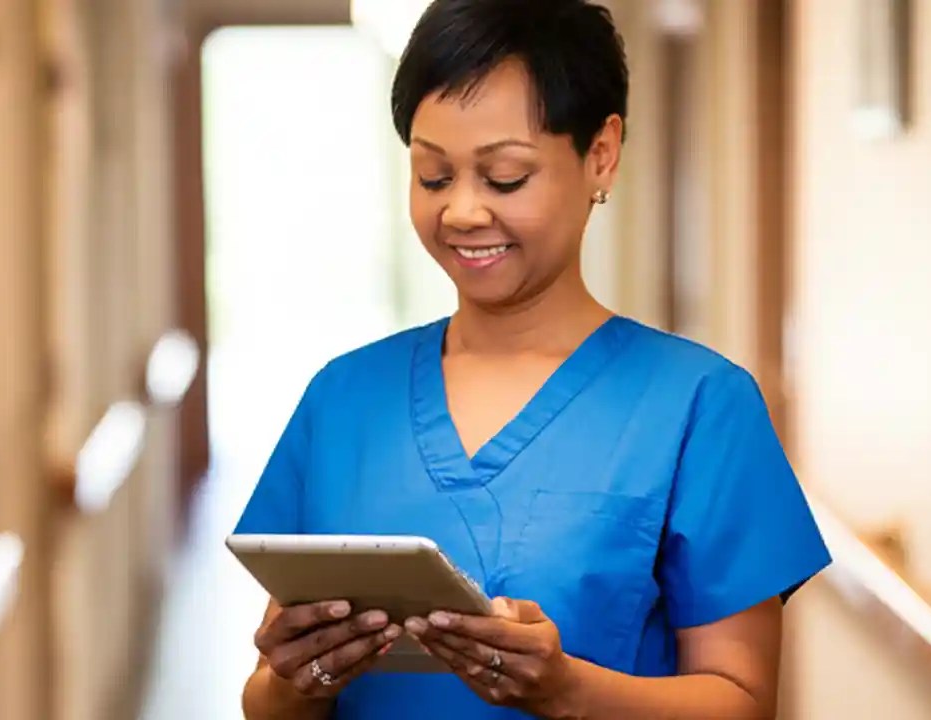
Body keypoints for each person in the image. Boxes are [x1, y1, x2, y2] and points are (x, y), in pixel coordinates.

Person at [235, 0, 831, 717]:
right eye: (432, 176)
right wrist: (297, 682)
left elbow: (740, 702)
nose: (461, 212)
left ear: (600, 154)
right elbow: (268, 704)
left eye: (505, 177)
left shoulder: (699, 405)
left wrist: (567, 690)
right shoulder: (342, 400)